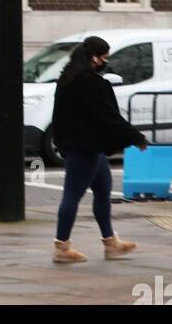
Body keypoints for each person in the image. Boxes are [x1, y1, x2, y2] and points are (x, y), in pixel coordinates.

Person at [51, 35, 148, 264]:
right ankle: (61, 247)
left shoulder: (68, 78)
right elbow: (107, 115)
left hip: (87, 147)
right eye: (104, 57)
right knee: (72, 196)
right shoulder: (88, 83)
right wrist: (135, 136)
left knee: (103, 191)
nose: (106, 62)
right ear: (94, 57)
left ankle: (110, 243)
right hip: (84, 148)